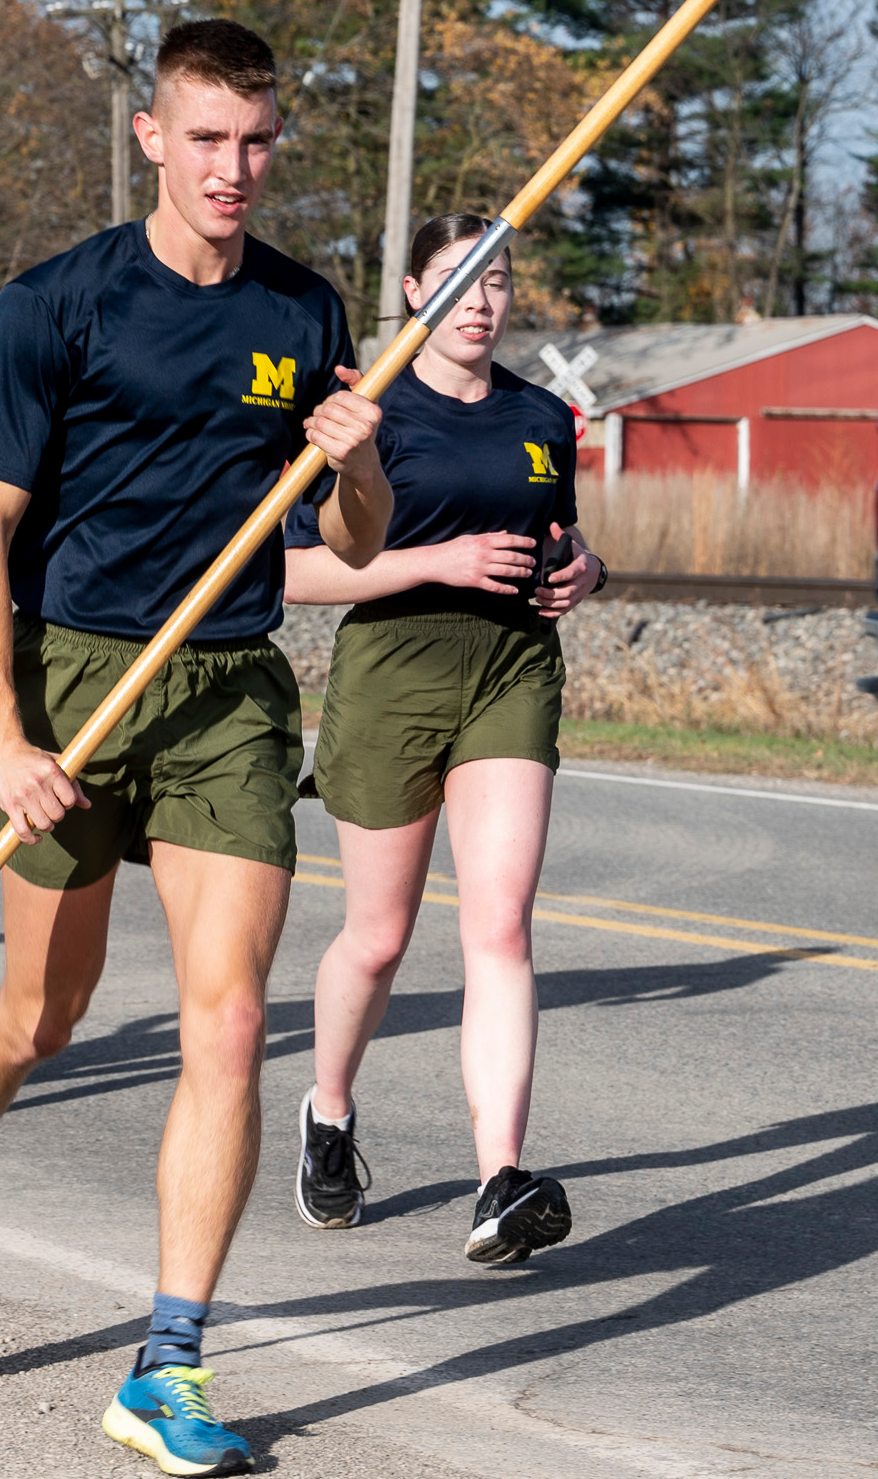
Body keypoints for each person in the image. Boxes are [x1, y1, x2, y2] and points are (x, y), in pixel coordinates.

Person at [0, 20, 389, 1479]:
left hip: (227, 688)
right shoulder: (59, 306)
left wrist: (357, 455)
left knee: (228, 1021)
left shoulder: (305, 310)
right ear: (154, 137)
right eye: (209, 139)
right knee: (45, 1012)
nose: (237, 168)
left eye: (260, 141)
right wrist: (2, 731)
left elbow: (356, 536)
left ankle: (169, 1361)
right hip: (74, 679)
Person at [280, 213, 604, 1264]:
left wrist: (585, 572)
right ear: (414, 291)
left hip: (511, 671)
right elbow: (288, 570)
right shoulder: (365, 413)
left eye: (498, 278)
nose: (481, 298)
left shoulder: (543, 416)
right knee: (377, 936)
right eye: (459, 278)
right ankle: (329, 1111)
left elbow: (567, 537)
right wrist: (437, 561)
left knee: (500, 924)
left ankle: (499, 1178)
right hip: (392, 674)